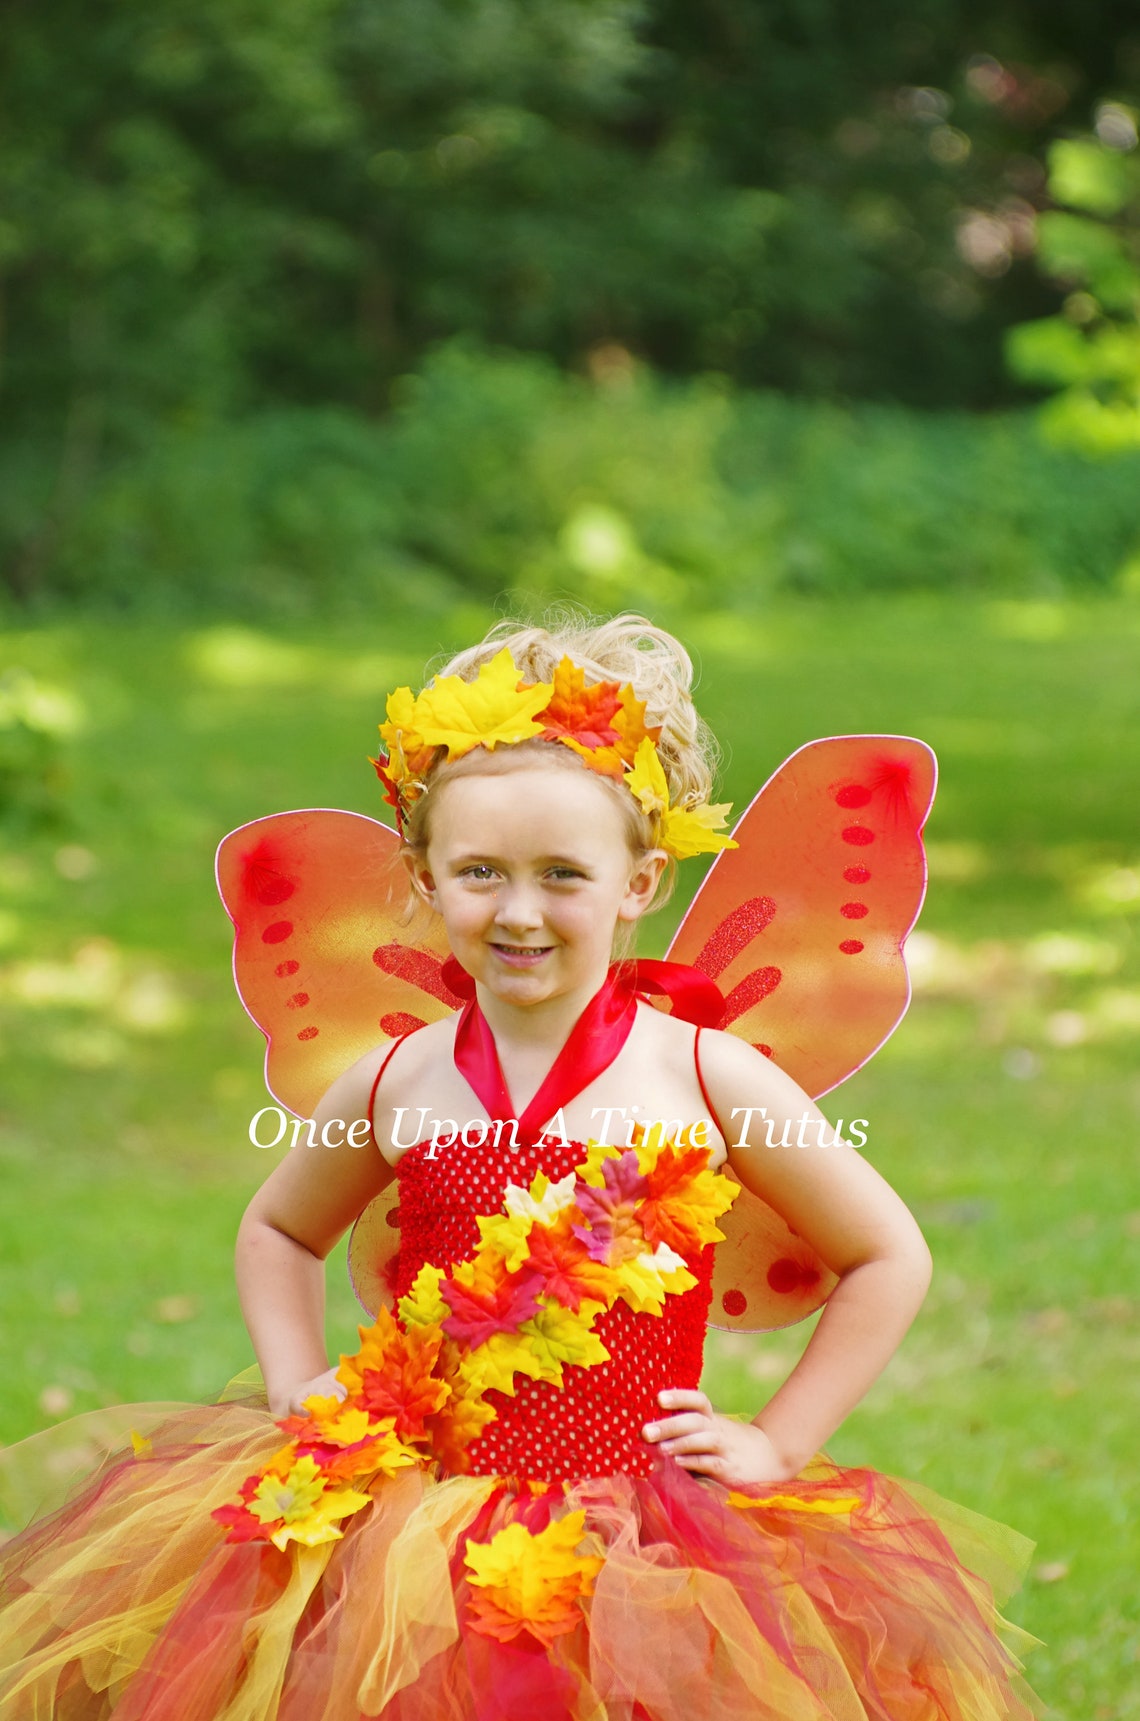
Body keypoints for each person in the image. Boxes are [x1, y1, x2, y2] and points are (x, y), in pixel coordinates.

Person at [0, 611, 1042, 1720]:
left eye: (563, 873)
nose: (521, 910)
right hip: (410, 1526)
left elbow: (887, 1253)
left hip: (640, 1530)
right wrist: (297, 1378)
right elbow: (279, 1227)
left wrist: (778, 1438)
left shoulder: (703, 1073)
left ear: (640, 880)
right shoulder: (397, 1080)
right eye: (482, 872)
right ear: (425, 876)